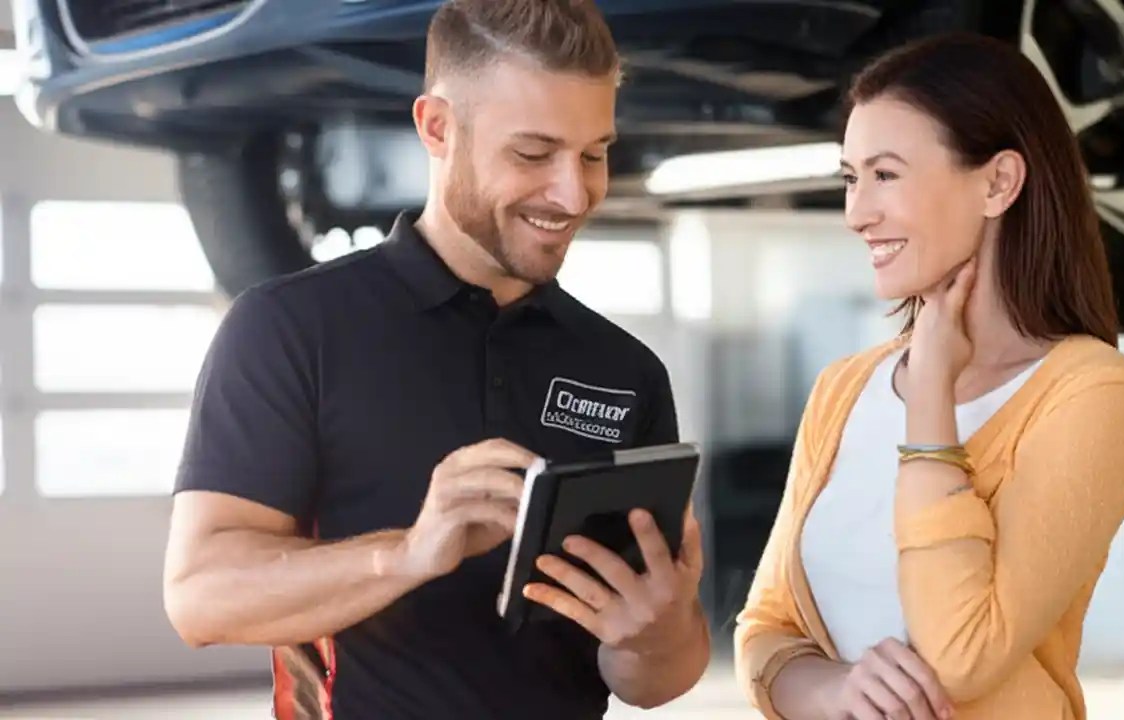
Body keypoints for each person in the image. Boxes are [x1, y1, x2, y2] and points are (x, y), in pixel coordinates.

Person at [161, 2, 711, 718]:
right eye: (533, 154)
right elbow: (200, 598)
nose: (573, 193)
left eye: (594, 154)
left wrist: (657, 634)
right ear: (438, 128)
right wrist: (408, 553)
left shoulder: (625, 371)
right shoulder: (291, 329)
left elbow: (653, 682)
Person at [733, 32, 1124, 720]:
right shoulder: (844, 388)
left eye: (886, 175)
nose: (856, 213)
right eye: (851, 178)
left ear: (998, 183)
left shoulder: (1093, 392)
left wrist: (931, 399)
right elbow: (764, 631)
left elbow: (964, 655)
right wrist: (838, 688)